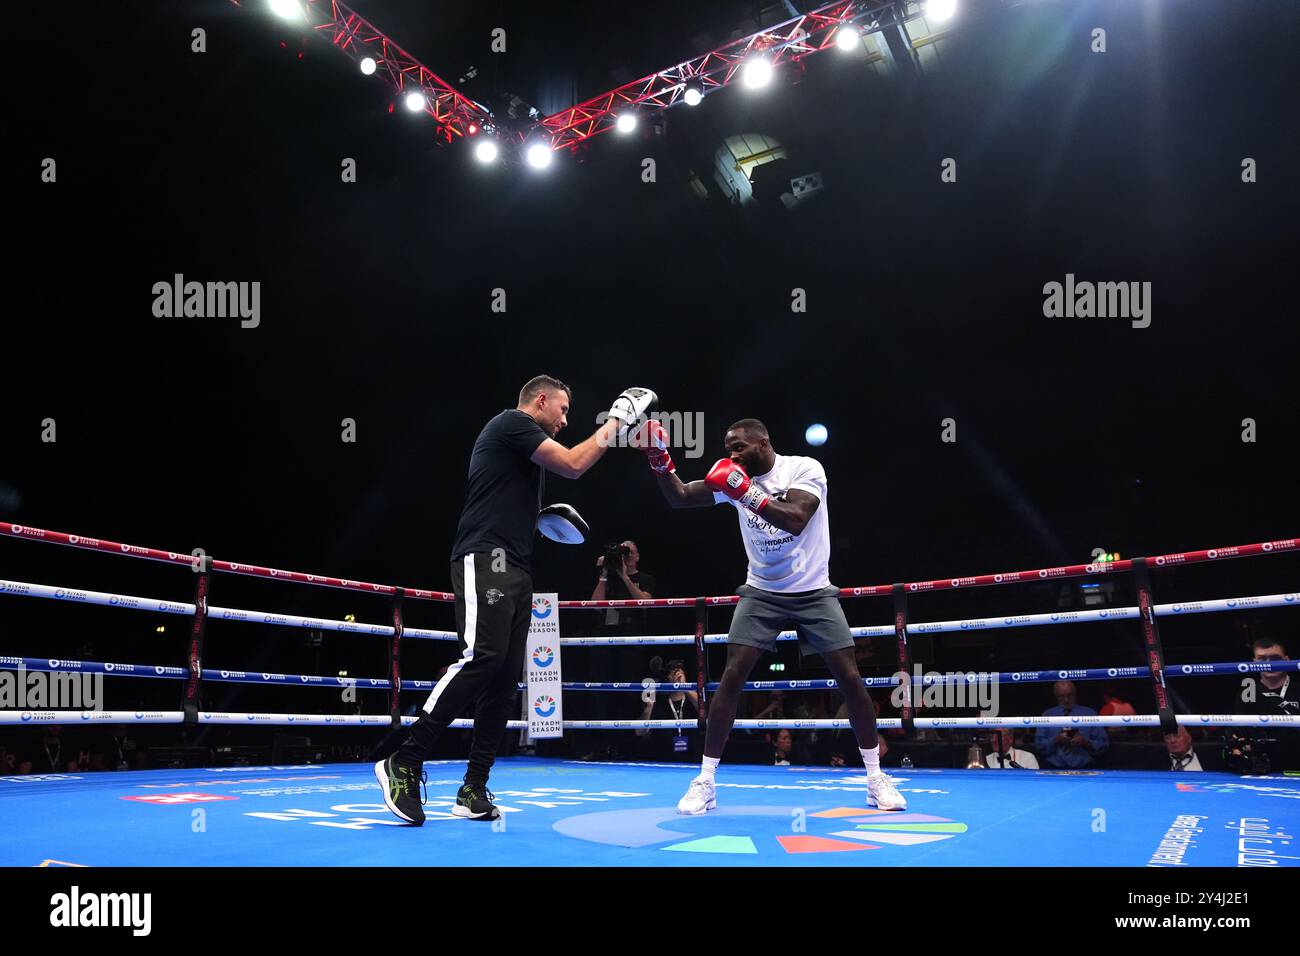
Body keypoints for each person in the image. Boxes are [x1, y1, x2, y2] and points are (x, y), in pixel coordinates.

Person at [375, 375, 656, 825]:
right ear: (539, 401)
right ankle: (403, 760)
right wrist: (617, 419)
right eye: (562, 410)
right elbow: (574, 464)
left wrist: (540, 520)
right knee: (481, 657)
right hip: (485, 558)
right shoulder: (511, 423)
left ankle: (473, 788)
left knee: (504, 681)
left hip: (517, 567)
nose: (565, 420)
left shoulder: (526, 454)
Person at [629, 416, 906, 813]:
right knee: (730, 678)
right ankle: (705, 781)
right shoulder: (733, 478)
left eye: (739, 447)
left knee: (850, 678)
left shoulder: (804, 468)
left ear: (763, 442)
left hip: (813, 590)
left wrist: (746, 493)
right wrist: (660, 462)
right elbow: (681, 497)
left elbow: (794, 519)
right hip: (761, 591)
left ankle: (876, 778)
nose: (732, 454)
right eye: (728, 449)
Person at [1224, 636, 1299, 774]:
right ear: (1254, 662)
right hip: (1266, 770)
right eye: (1262, 659)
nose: (1268, 664)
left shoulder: (1298, 686)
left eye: (1275, 658)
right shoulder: (1248, 690)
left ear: (1287, 660)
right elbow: (1242, 732)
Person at [635, 659, 700, 760]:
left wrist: (684, 685)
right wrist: (649, 705)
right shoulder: (659, 703)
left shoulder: (693, 699)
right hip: (664, 760)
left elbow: (706, 713)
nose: (678, 674)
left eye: (680, 672)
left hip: (693, 758)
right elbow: (640, 732)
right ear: (667, 679)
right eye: (673, 673)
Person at [1034, 680, 1109, 769]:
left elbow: (1103, 744)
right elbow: (1039, 746)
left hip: (1086, 768)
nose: (1066, 700)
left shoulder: (1090, 714)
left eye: (1070, 695)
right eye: (1061, 696)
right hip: (1053, 769)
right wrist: (1055, 740)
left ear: (1075, 694)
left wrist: (1086, 743)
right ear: (1056, 696)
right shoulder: (1047, 715)